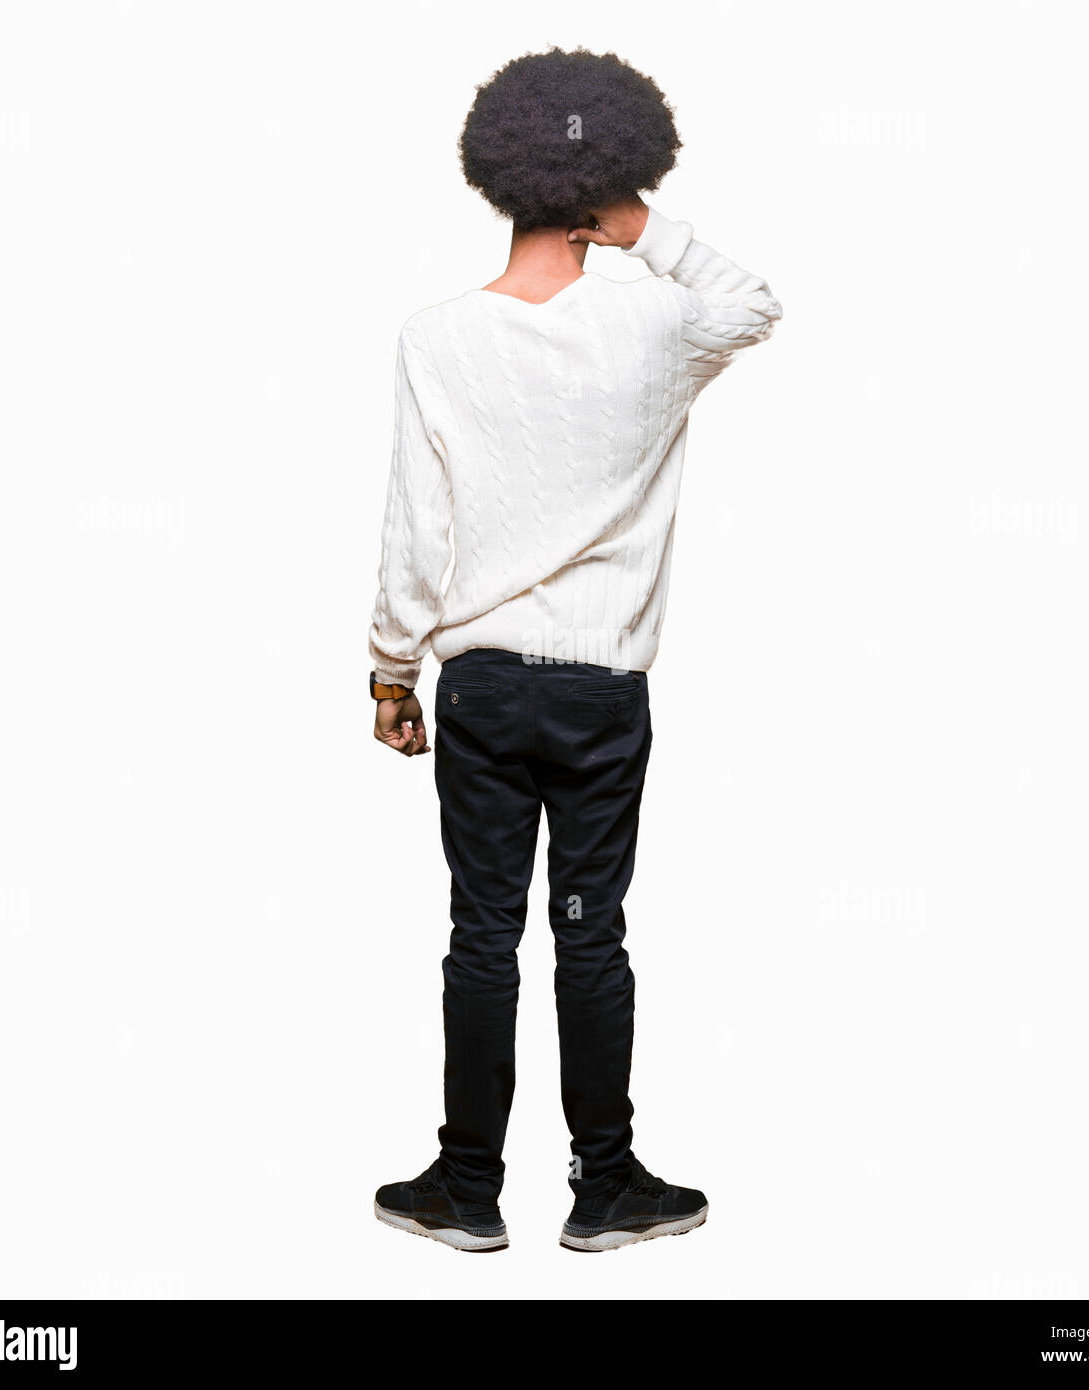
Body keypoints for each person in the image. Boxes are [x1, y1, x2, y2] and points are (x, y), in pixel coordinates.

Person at [368, 47, 780, 1252]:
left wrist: (392, 669)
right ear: (616, 168)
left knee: (481, 932)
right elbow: (753, 303)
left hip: (482, 689)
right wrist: (647, 230)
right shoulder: (657, 326)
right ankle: (605, 1185)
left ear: (495, 174)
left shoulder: (438, 336)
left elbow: (414, 528)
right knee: (591, 931)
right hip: (600, 692)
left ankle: (466, 1186)